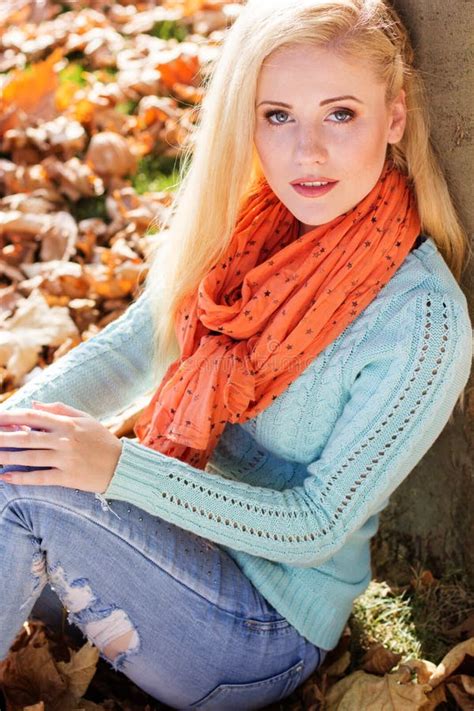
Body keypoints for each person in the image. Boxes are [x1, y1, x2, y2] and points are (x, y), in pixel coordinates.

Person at [0, 0, 472, 708]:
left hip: (257, 628)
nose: (305, 153)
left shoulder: (421, 318)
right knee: (14, 450)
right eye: (277, 115)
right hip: (164, 546)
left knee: (22, 482)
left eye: (339, 114)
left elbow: (315, 524)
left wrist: (121, 469)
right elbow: (135, 349)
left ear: (394, 117)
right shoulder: (251, 227)